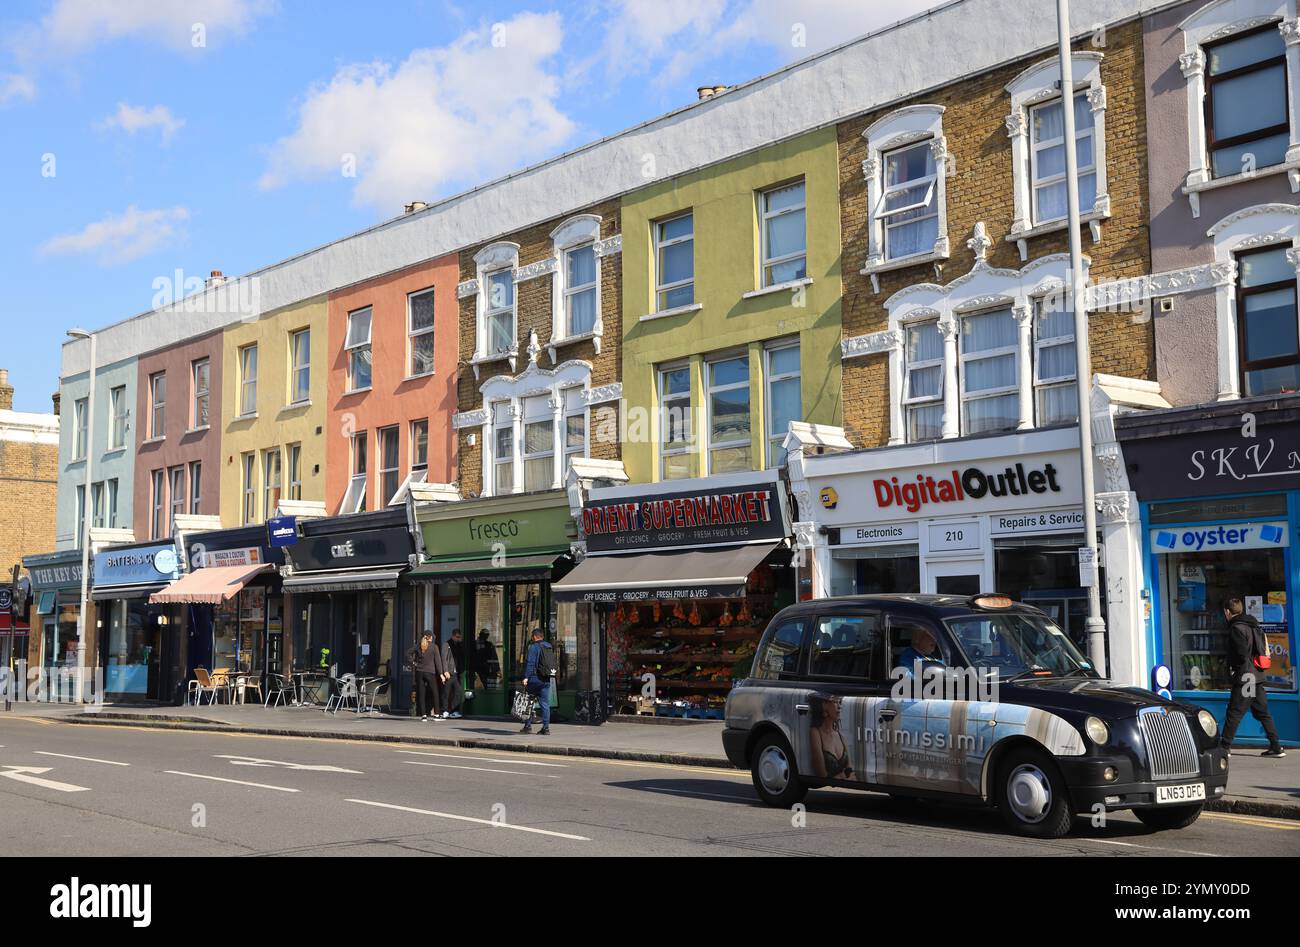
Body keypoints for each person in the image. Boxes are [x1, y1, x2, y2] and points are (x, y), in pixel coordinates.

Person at [1220, 597, 1286, 757]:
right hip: (1257, 675)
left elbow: (1241, 654)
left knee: (1234, 712)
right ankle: (1276, 746)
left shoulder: (1237, 628)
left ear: (1227, 612)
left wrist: (1233, 670)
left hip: (1246, 677)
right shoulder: (1254, 625)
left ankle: (1224, 748)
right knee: (1262, 712)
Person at [808, 694, 852, 780]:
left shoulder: (840, 736)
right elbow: (821, 773)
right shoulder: (815, 732)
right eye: (835, 702)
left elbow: (850, 769)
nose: (839, 706)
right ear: (824, 705)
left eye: (840, 702)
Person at [519, 628, 554, 735]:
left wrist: (526, 677)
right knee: (545, 703)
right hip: (546, 678)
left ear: (534, 637)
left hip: (534, 678)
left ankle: (527, 726)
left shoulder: (534, 647)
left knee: (528, 702)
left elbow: (530, 663)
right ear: (542, 636)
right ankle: (546, 728)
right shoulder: (548, 646)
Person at [406, 631, 444, 722]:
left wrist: (414, 663)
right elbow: (438, 662)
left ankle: (423, 716)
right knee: (435, 693)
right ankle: (437, 715)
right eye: (432, 637)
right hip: (430, 672)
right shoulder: (434, 647)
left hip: (419, 672)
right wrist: (441, 674)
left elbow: (408, 653)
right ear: (430, 637)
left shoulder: (419, 645)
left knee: (421, 693)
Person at [440, 631, 463, 718]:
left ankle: (454, 710)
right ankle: (445, 710)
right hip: (449, 673)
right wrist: (445, 671)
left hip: (457, 673)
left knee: (458, 692)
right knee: (446, 692)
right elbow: (444, 658)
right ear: (453, 636)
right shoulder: (447, 644)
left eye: (459, 637)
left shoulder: (459, 645)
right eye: (457, 637)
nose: (458, 638)